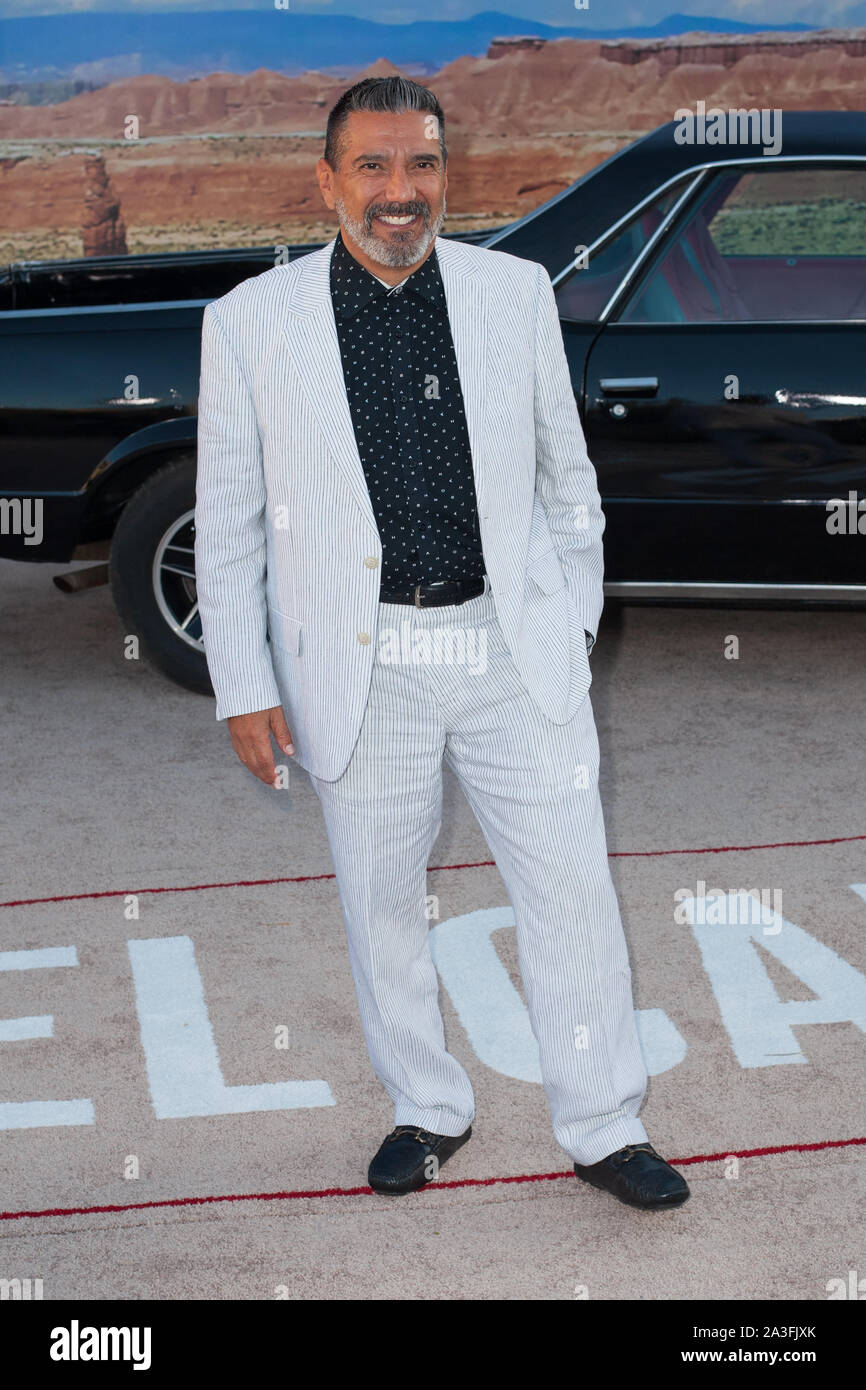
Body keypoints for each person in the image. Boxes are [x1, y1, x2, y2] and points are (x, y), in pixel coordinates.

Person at [194, 76, 689, 1211]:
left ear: (443, 175)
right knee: (380, 898)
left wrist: (564, 616)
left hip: (509, 647)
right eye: (370, 167)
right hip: (361, 665)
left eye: (419, 165)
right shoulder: (250, 324)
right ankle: (425, 1108)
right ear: (326, 182)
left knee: (568, 889)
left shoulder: (510, 294)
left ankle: (604, 1124)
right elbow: (225, 526)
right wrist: (242, 684)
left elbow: (571, 485)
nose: (398, 191)